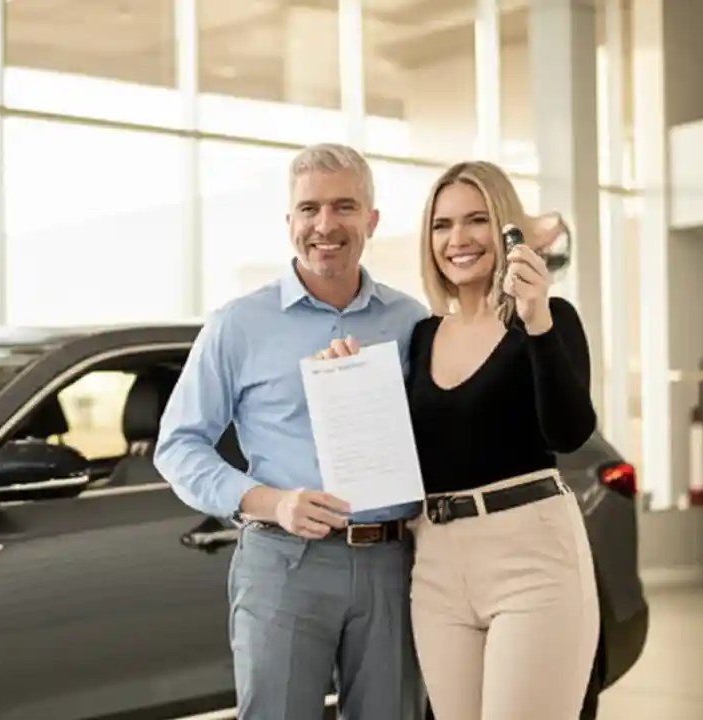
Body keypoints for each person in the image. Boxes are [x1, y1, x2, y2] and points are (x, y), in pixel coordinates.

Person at [154, 143, 428, 720]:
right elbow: (178, 446)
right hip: (284, 563)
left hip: (393, 564)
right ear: (289, 223)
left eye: (344, 207)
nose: (325, 225)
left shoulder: (412, 323)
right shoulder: (239, 324)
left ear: (371, 220)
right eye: (309, 209)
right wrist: (272, 502)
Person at [318, 160, 598, 719]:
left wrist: (536, 319)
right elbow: (403, 455)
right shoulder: (423, 335)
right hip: (439, 563)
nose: (459, 239)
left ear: (506, 230)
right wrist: (346, 382)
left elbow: (569, 432)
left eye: (477, 221)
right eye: (442, 225)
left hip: (531, 559)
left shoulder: (549, 319)